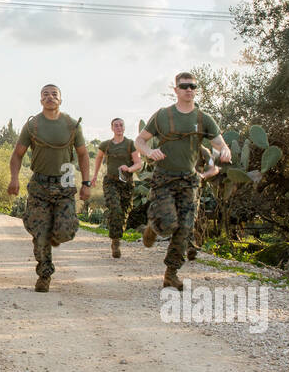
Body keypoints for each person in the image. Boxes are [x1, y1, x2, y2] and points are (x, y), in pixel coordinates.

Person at [134, 72, 231, 290]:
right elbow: (139, 141)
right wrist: (149, 152)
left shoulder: (203, 119)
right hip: (164, 179)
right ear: (176, 90)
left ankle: (171, 273)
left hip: (189, 180)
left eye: (193, 86)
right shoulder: (162, 115)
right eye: (184, 86)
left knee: (185, 227)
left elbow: (220, 144)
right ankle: (153, 227)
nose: (189, 90)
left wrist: (224, 151)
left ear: (196, 90)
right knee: (168, 223)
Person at [8, 84, 91, 292]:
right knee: (40, 232)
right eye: (46, 94)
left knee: (66, 231)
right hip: (39, 184)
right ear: (40, 99)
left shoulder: (72, 125)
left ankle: (55, 234)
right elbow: (17, 154)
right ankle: (44, 274)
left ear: (61, 100)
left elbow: (82, 155)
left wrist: (86, 183)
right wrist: (14, 179)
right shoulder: (32, 125)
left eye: (54, 94)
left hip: (65, 182)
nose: (50, 97)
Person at [91, 117, 143, 258]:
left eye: (121, 125)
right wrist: (94, 175)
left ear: (124, 128)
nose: (119, 127)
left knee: (124, 213)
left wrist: (129, 168)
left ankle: (117, 238)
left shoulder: (130, 144)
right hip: (110, 182)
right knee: (115, 208)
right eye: (116, 125)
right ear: (112, 128)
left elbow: (139, 163)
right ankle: (115, 241)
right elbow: (98, 159)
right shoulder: (106, 145)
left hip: (126, 183)